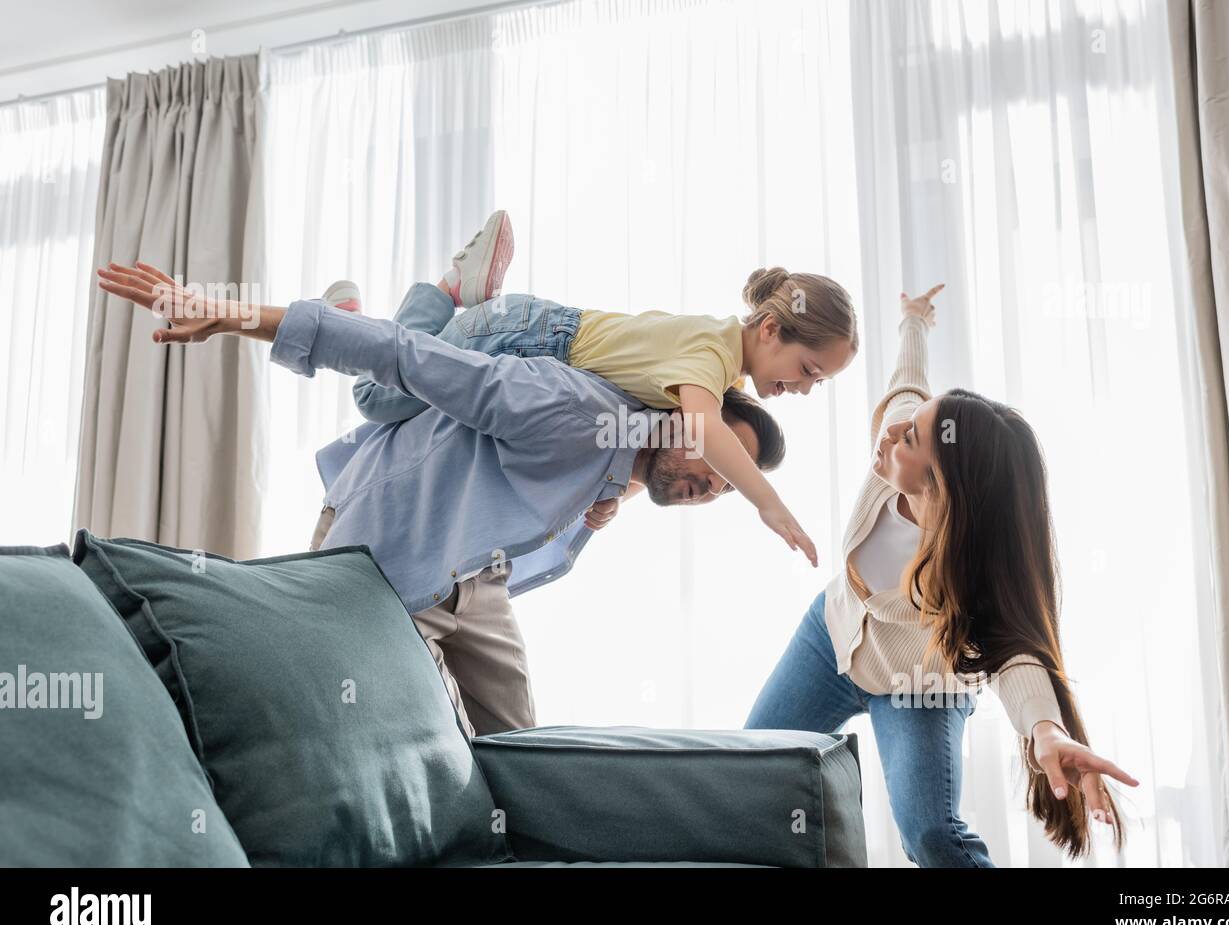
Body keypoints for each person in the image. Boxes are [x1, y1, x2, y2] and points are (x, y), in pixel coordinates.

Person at [95, 259, 786, 740]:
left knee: (519, 746)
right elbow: (405, 356)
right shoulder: (570, 406)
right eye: (718, 459)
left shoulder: (621, 461)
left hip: (471, 579)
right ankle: (439, 290)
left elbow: (595, 477)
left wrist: (612, 502)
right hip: (383, 550)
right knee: (389, 728)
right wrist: (229, 313)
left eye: (726, 487)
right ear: (682, 410)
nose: (712, 486)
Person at [745, 285, 1140, 865]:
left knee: (929, 833)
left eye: (910, 438)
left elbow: (1012, 655)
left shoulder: (970, 571)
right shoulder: (895, 458)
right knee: (746, 767)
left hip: (919, 685)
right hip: (831, 637)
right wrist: (912, 323)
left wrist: (1045, 728)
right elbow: (908, 385)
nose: (891, 434)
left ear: (942, 484)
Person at [329, 210, 859, 567]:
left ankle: (370, 319)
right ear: (770, 329)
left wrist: (616, 498)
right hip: (520, 333)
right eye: (809, 371)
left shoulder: (718, 370)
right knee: (379, 399)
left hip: (532, 334)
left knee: (400, 388)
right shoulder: (712, 354)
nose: (805, 389)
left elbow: (646, 435)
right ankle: (437, 291)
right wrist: (769, 504)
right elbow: (701, 431)